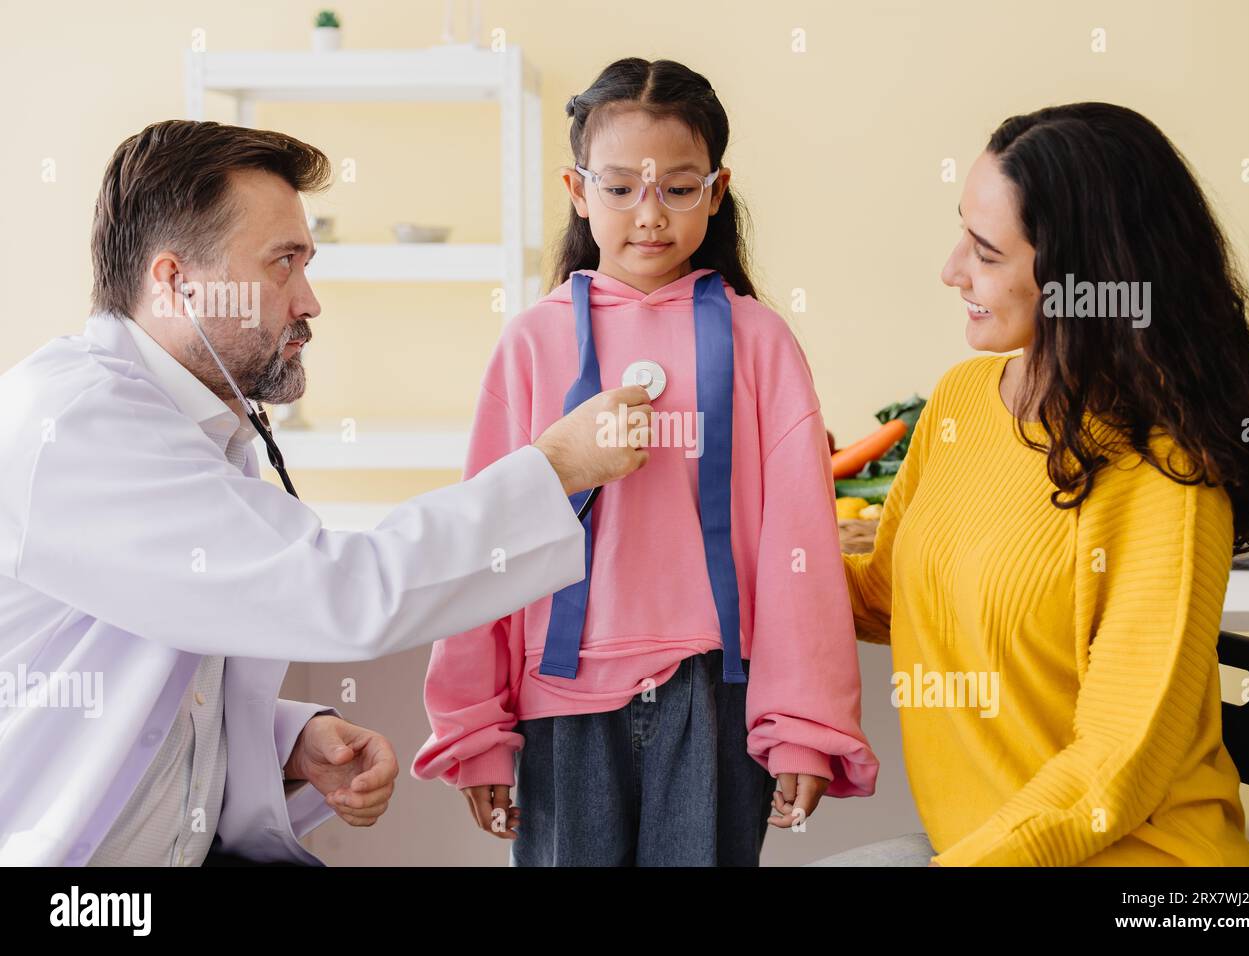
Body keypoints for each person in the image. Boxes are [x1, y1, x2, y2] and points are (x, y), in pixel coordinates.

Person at [0, 120, 652, 866]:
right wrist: (554, 469)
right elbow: (340, 593)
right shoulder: (78, 426)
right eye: (283, 265)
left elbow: (130, 665)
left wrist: (286, 739)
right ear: (176, 281)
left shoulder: (194, 428)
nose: (309, 302)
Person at [412, 58, 878, 866]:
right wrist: (474, 726)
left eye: (679, 187)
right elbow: (484, 536)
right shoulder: (532, 342)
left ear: (717, 189)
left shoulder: (759, 341)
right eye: (621, 187)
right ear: (577, 187)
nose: (649, 214)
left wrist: (803, 721)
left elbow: (796, 546)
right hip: (558, 703)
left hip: (715, 695)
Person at [826, 102, 1249, 867]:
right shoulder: (961, 401)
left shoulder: (1166, 479)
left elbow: (1111, 771)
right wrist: (740, 558)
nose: (951, 271)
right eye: (962, 234)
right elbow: (885, 598)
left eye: (987, 251)